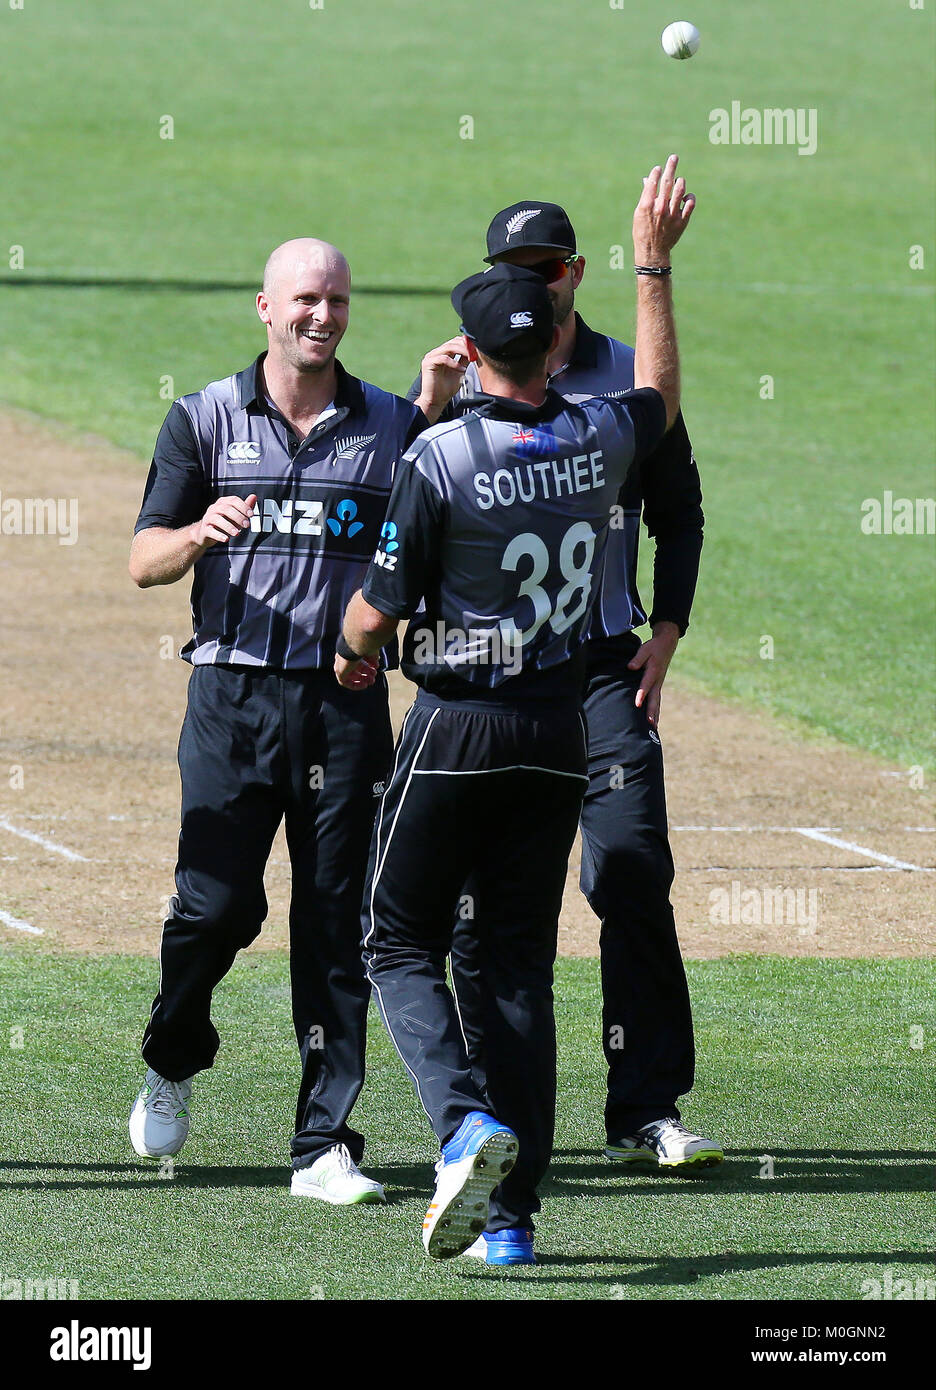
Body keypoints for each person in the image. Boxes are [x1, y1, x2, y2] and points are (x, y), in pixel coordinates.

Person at [336, 157, 694, 1263]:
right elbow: (664, 407)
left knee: (395, 939)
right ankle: (513, 1223)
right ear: (551, 346)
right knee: (517, 965)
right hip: (558, 730)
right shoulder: (598, 434)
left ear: (479, 350)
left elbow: (371, 616)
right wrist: (653, 266)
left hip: (457, 725)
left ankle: (462, 1123)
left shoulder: (440, 454)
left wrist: (355, 655)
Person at [410, 186, 721, 1173]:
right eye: (517, 274)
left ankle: (646, 1106)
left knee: (627, 869)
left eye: (549, 269)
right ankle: (479, 1116)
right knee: (471, 910)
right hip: (485, 681)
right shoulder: (466, 382)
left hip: (601, 673)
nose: (537, 285)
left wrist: (667, 626)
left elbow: (680, 507)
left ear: (577, 273)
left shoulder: (628, 376)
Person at [127, 238, 428, 1204]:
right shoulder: (204, 420)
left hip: (346, 704)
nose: (322, 316)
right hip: (232, 697)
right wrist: (194, 535)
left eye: (337, 300)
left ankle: (324, 1143)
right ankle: (172, 1052)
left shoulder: (392, 426)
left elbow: (424, 553)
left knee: (338, 918)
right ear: (266, 307)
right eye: (305, 299)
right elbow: (142, 560)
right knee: (216, 906)